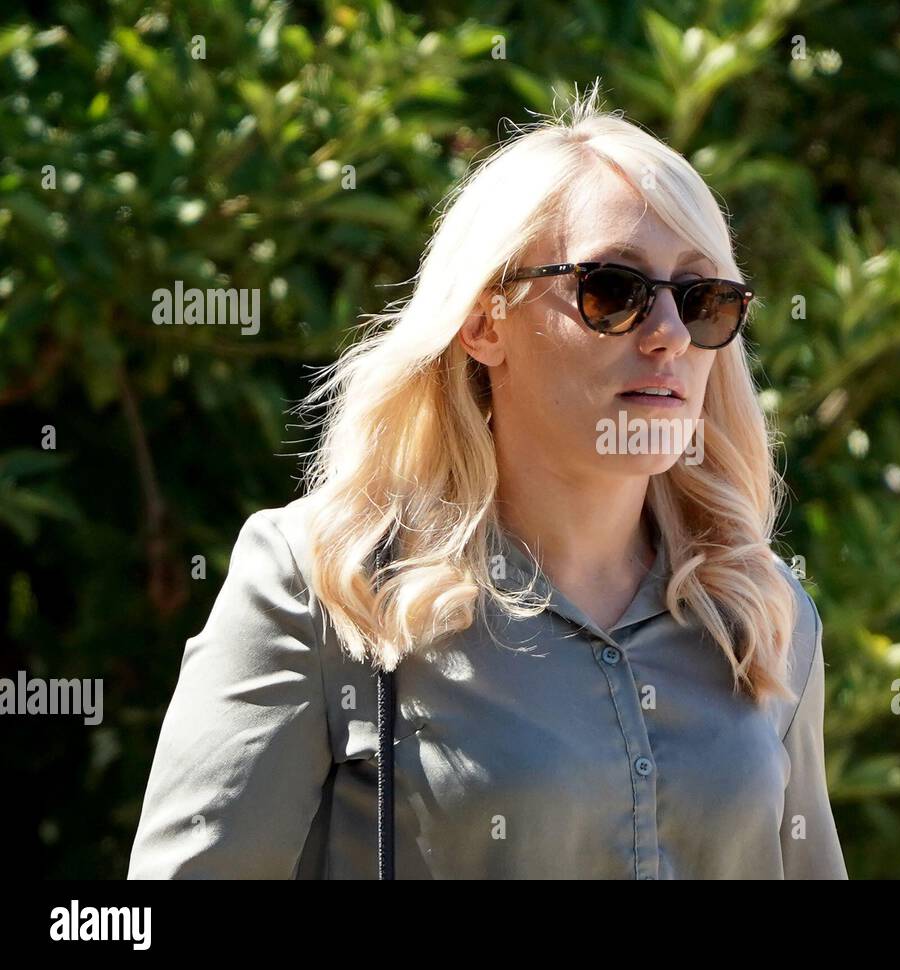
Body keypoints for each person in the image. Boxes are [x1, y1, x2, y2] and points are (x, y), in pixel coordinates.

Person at [127, 84, 848, 879]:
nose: (670, 334)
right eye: (614, 291)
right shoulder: (327, 584)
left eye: (703, 298)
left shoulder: (761, 610)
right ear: (483, 322)